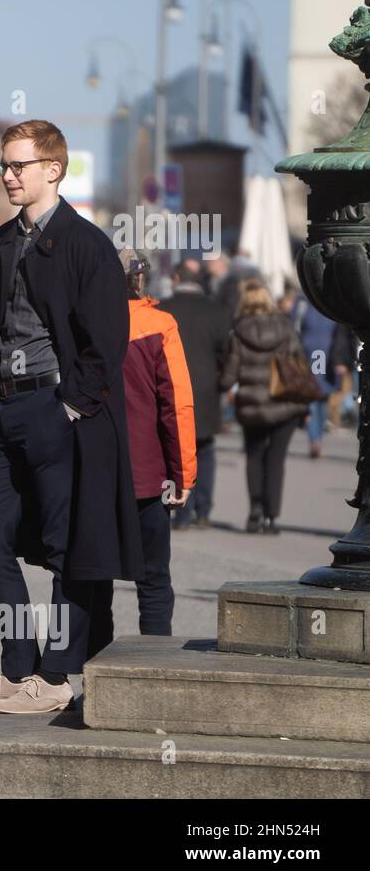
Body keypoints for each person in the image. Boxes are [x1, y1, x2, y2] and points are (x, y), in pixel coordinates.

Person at [0, 119, 141, 716]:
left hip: (54, 408)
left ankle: (56, 677)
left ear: (53, 169)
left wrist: (68, 407)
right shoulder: (1, 241)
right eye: (3, 166)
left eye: (19, 165)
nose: (8, 175)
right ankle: (17, 668)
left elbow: (107, 341)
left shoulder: (86, 244)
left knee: (69, 549)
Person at [120, 250, 195, 636]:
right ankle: (153, 664)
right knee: (153, 580)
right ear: (140, 281)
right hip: (148, 476)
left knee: (87, 579)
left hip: (92, 474)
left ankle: (88, 669)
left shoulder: (80, 320)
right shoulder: (159, 325)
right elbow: (176, 405)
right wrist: (183, 475)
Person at [220, 280, 308, 534]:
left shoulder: (237, 333)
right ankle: (271, 516)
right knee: (276, 458)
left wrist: (220, 381)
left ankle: (255, 512)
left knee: (254, 456)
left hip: (252, 406)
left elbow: (229, 377)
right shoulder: (286, 326)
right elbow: (300, 362)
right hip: (285, 404)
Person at [159, 260, 230, 529]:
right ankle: (204, 511)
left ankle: (179, 512)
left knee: (170, 449)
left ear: (176, 278)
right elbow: (227, 351)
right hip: (205, 389)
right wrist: (222, 382)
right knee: (204, 450)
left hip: (169, 388)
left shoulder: (163, 309)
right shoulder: (216, 311)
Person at [293, 291, 350, 458]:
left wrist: (341, 360)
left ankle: (318, 437)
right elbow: (294, 325)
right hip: (308, 356)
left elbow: (343, 333)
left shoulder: (334, 304)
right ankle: (314, 440)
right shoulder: (302, 303)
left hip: (327, 357)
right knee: (311, 399)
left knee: (323, 400)